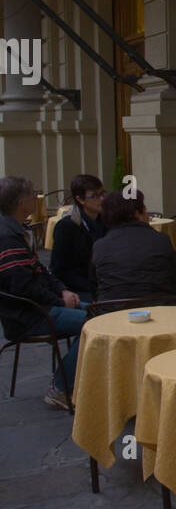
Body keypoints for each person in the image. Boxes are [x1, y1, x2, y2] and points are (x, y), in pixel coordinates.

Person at [0, 175, 87, 410]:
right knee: (94, 325)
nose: (36, 199)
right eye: (31, 194)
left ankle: (81, 382)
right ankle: (60, 387)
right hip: (28, 316)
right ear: (21, 202)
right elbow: (24, 287)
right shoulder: (7, 237)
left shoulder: (15, 230)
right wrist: (59, 300)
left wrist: (63, 291)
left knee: (99, 310)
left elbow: (42, 271)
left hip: (39, 307)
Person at [91, 190, 176, 307]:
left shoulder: (100, 246)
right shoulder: (161, 240)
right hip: (159, 310)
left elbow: (95, 288)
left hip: (112, 314)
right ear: (138, 213)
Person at [49, 174, 105, 295]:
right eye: (95, 196)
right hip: (80, 288)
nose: (102, 199)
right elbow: (59, 270)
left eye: (102, 193)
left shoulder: (106, 221)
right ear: (80, 199)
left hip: (105, 282)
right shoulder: (66, 227)